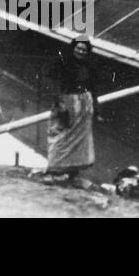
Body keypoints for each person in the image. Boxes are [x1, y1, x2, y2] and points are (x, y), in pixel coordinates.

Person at [44, 34, 97, 181]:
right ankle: (52, 171)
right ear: (73, 48)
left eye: (84, 50)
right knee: (60, 136)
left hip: (85, 105)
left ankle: (73, 172)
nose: (81, 52)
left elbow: (93, 88)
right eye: (78, 49)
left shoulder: (89, 66)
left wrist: (96, 109)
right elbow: (51, 81)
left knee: (81, 139)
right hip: (66, 101)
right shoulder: (63, 62)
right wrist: (59, 103)